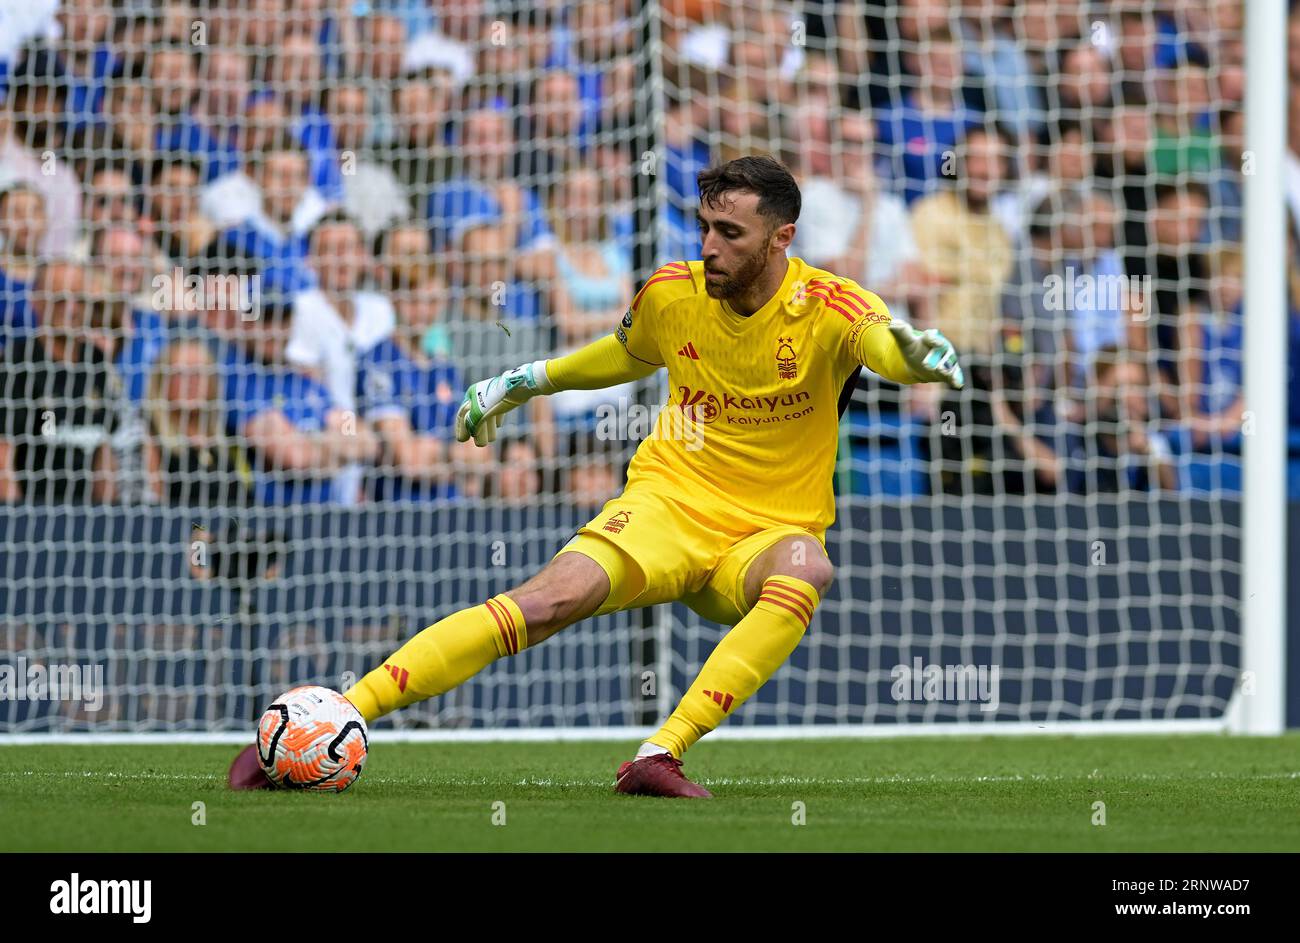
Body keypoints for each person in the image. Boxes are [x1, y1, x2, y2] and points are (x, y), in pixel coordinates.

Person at [229, 156, 966, 796]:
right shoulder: (674, 293)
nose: (708, 246)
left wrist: (915, 356)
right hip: (667, 506)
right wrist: (525, 380)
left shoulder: (828, 305)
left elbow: (885, 347)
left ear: (782, 239)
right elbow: (624, 351)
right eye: (703, 225)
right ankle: (335, 715)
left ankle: (660, 753)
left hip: (768, 532)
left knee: (808, 566)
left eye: (729, 234)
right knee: (548, 598)